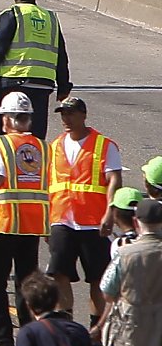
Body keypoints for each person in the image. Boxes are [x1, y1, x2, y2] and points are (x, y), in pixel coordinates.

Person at [0, 91, 50, 346]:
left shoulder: (2, 145)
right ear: (28, 119)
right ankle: (30, 341)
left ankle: (2, 343)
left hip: (4, 222)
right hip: (32, 223)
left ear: (6, 119)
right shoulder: (42, 147)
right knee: (27, 283)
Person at [48, 96, 122, 322]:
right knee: (59, 274)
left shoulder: (104, 145)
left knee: (97, 279)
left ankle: (96, 328)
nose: (66, 119)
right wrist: (46, 221)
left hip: (92, 222)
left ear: (84, 115)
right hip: (61, 220)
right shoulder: (55, 146)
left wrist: (110, 213)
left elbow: (114, 179)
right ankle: (65, 324)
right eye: (63, 114)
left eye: (71, 113)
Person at [0, 0, 72, 139]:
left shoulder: (12, 14)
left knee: (9, 135)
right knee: (35, 137)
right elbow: (61, 54)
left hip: (13, 82)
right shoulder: (50, 18)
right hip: (43, 84)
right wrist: (63, 86)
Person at [99, 199, 162, 346]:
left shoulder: (125, 254)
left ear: (136, 222)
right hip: (159, 338)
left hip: (128, 333)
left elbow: (107, 291)